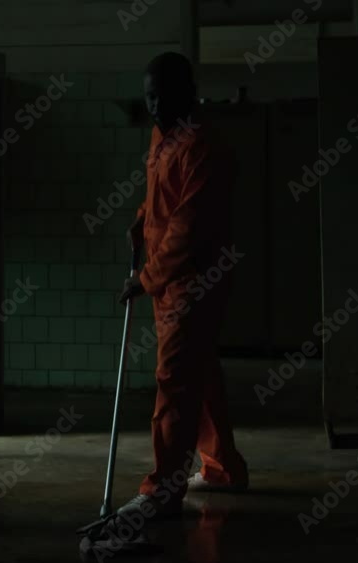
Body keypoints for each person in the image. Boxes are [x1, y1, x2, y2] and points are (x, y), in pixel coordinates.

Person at [117, 52, 247, 517]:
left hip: (194, 282)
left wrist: (145, 279)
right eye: (148, 97)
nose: (153, 106)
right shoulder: (163, 135)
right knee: (201, 373)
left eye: (162, 96)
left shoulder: (203, 147)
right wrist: (139, 221)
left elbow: (189, 230)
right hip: (169, 282)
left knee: (174, 380)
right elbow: (161, 202)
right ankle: (221, 468)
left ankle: (163, 489)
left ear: (185, 93)